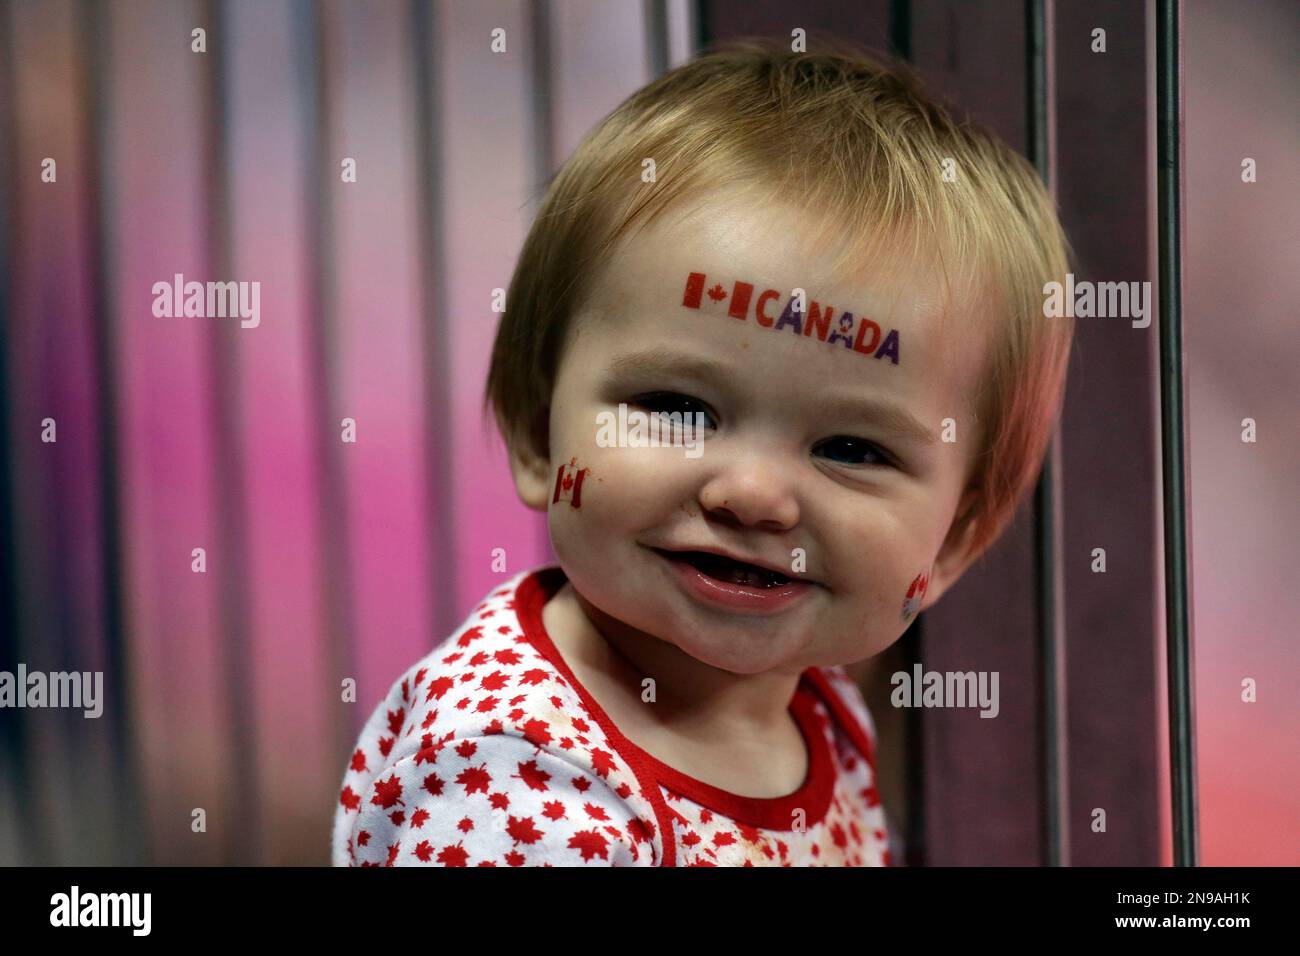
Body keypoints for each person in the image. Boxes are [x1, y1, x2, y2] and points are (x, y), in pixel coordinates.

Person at [331, 38, 1074, 866]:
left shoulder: (818, 708)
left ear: (954, 542)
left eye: (853, 448)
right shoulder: (513, 776)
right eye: (678, 407)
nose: (754, 494)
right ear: (541, 434)